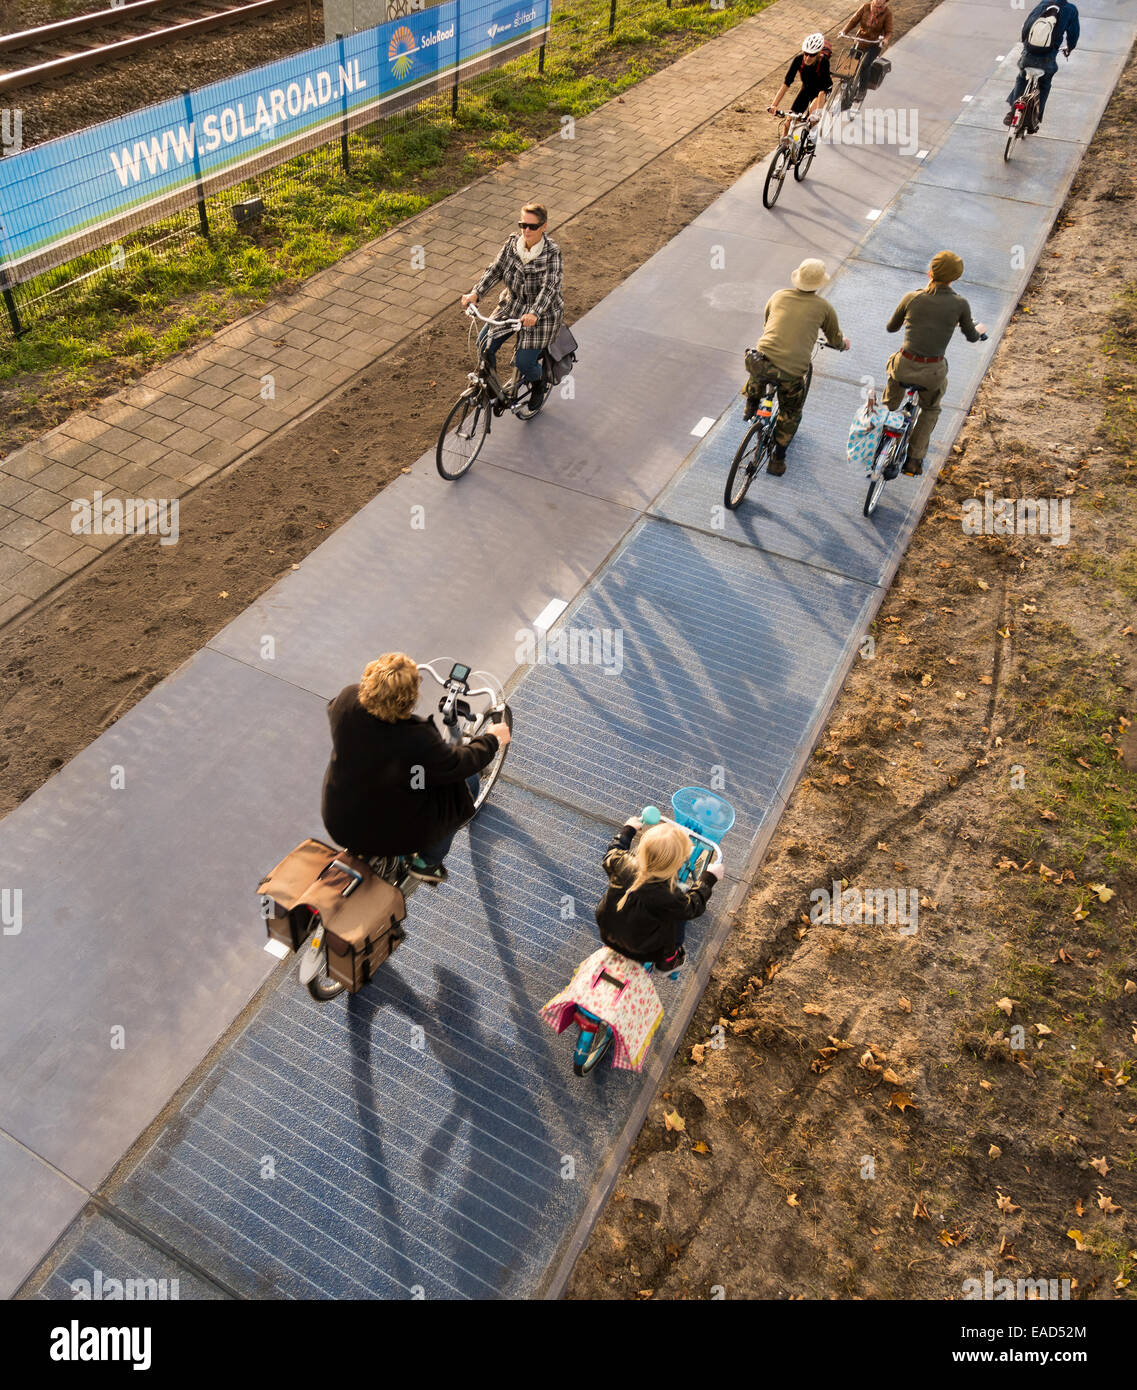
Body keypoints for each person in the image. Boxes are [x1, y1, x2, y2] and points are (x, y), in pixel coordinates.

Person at [320, 652, 511, 885]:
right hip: (393, 832)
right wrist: (491, 740)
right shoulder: (416, 737)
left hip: (339, 820)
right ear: (408, 699)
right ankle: (427, 863)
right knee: (464, 784)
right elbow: (459, 763)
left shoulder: (347, 701)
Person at [881, 251, 987, 477]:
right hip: (932, 373)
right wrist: (979, 331)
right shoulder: (960, 304)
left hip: (905, 365)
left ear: (930, 272)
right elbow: (971, 336)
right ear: (955, 278)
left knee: (893, 378)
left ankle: (883, 423)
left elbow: (892, 327)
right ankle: (914, 461)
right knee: (930, 409)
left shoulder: (912, 297)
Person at [742, 258, 850, 476]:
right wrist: (842, 344)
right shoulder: (824, 308)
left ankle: (751, 405)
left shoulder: (778, 296)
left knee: (759, 366)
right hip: (790, 373)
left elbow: (767, 322)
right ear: (819, 283)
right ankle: (778, 459)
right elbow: (834, 337)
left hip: (761, 363)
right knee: (791, 411)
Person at [461, 202, 563, 418]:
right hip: (513, 305)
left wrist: (535, 313)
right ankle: (494, 390)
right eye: (522, 224)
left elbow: (550, 288)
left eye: (532, 227)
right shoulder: (511, 245)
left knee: (524, 362)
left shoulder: (552, 253)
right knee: (483, 345)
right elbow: (495, 269)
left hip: (542, 314)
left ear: (543, 227)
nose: (526, 230)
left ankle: (539, 383)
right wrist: (476, 293)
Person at [595, 818, 723, 975]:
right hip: (647, 951)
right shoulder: (670, 896)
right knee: (677, 919)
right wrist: (709, 878)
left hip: (608, 932)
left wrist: (628, 829)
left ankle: (613, 947)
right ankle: (668, 962)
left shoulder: (621, 862)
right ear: (677, 864)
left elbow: (612, 851)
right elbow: (692, 907)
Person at [1003, 1, 1079, 129]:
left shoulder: (1044, 3)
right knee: (1044, 85)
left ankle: (1012, 112)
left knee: (1021, 78)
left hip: (1028, 54)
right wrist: (1070, 48)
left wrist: (1026, 44)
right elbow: (1073, 34)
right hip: (1047, 59)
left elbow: (1027, 25)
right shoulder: (1070, 9)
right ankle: (1035, 118)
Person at [767, 33, 832, 141]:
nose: (807, 57)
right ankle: (785, 145)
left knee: (812, 112)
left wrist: (818, 114)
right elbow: (786, 84)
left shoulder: (823, 62)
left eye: (812, 55)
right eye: (806, 53)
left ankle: (812, 138)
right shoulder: (798, 60)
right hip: (807, 88)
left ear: (819, 53)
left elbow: (822, 91)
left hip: (822, 90)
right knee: (789, 121)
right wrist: (774, 105)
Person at [840, 0, 893, 103]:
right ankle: (844, 83)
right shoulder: (865, 7)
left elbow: (889, 31)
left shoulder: (887, 13)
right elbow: (853, 21)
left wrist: (885, 39)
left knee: (864, 64)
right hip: (860, 40)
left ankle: (862, 90)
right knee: (850, 61)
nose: (878, 0)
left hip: (874, 44)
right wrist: (844, 31)